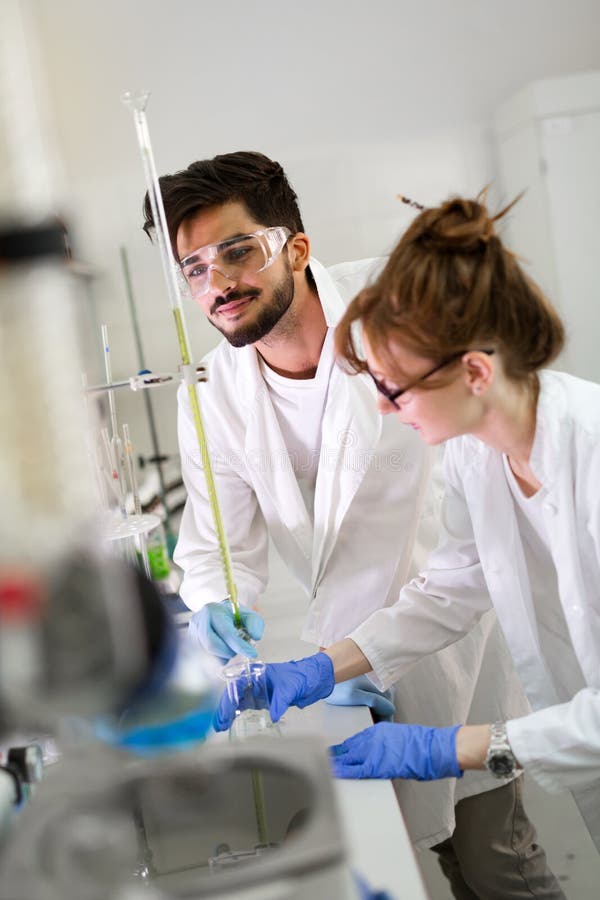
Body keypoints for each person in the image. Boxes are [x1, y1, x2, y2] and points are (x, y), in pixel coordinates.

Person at [143, 157, 562, 898]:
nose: (220, 285)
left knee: (498, 865)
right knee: (420, 860)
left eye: (239, 251)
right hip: (348, 668)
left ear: (296, 249)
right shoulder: (212, 392)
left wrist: (340, 662)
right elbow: (217, 547)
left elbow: (473, 538)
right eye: (195, 268)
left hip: (460, 648)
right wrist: (215, 602)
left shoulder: (394, 317)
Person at [216, 190, 600, 861]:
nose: (388, 412)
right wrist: (320, 668)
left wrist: (454, 747)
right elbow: (450, 589)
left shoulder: (590, 450)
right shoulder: (481, 454)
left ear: (475, 371)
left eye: (395, 390)